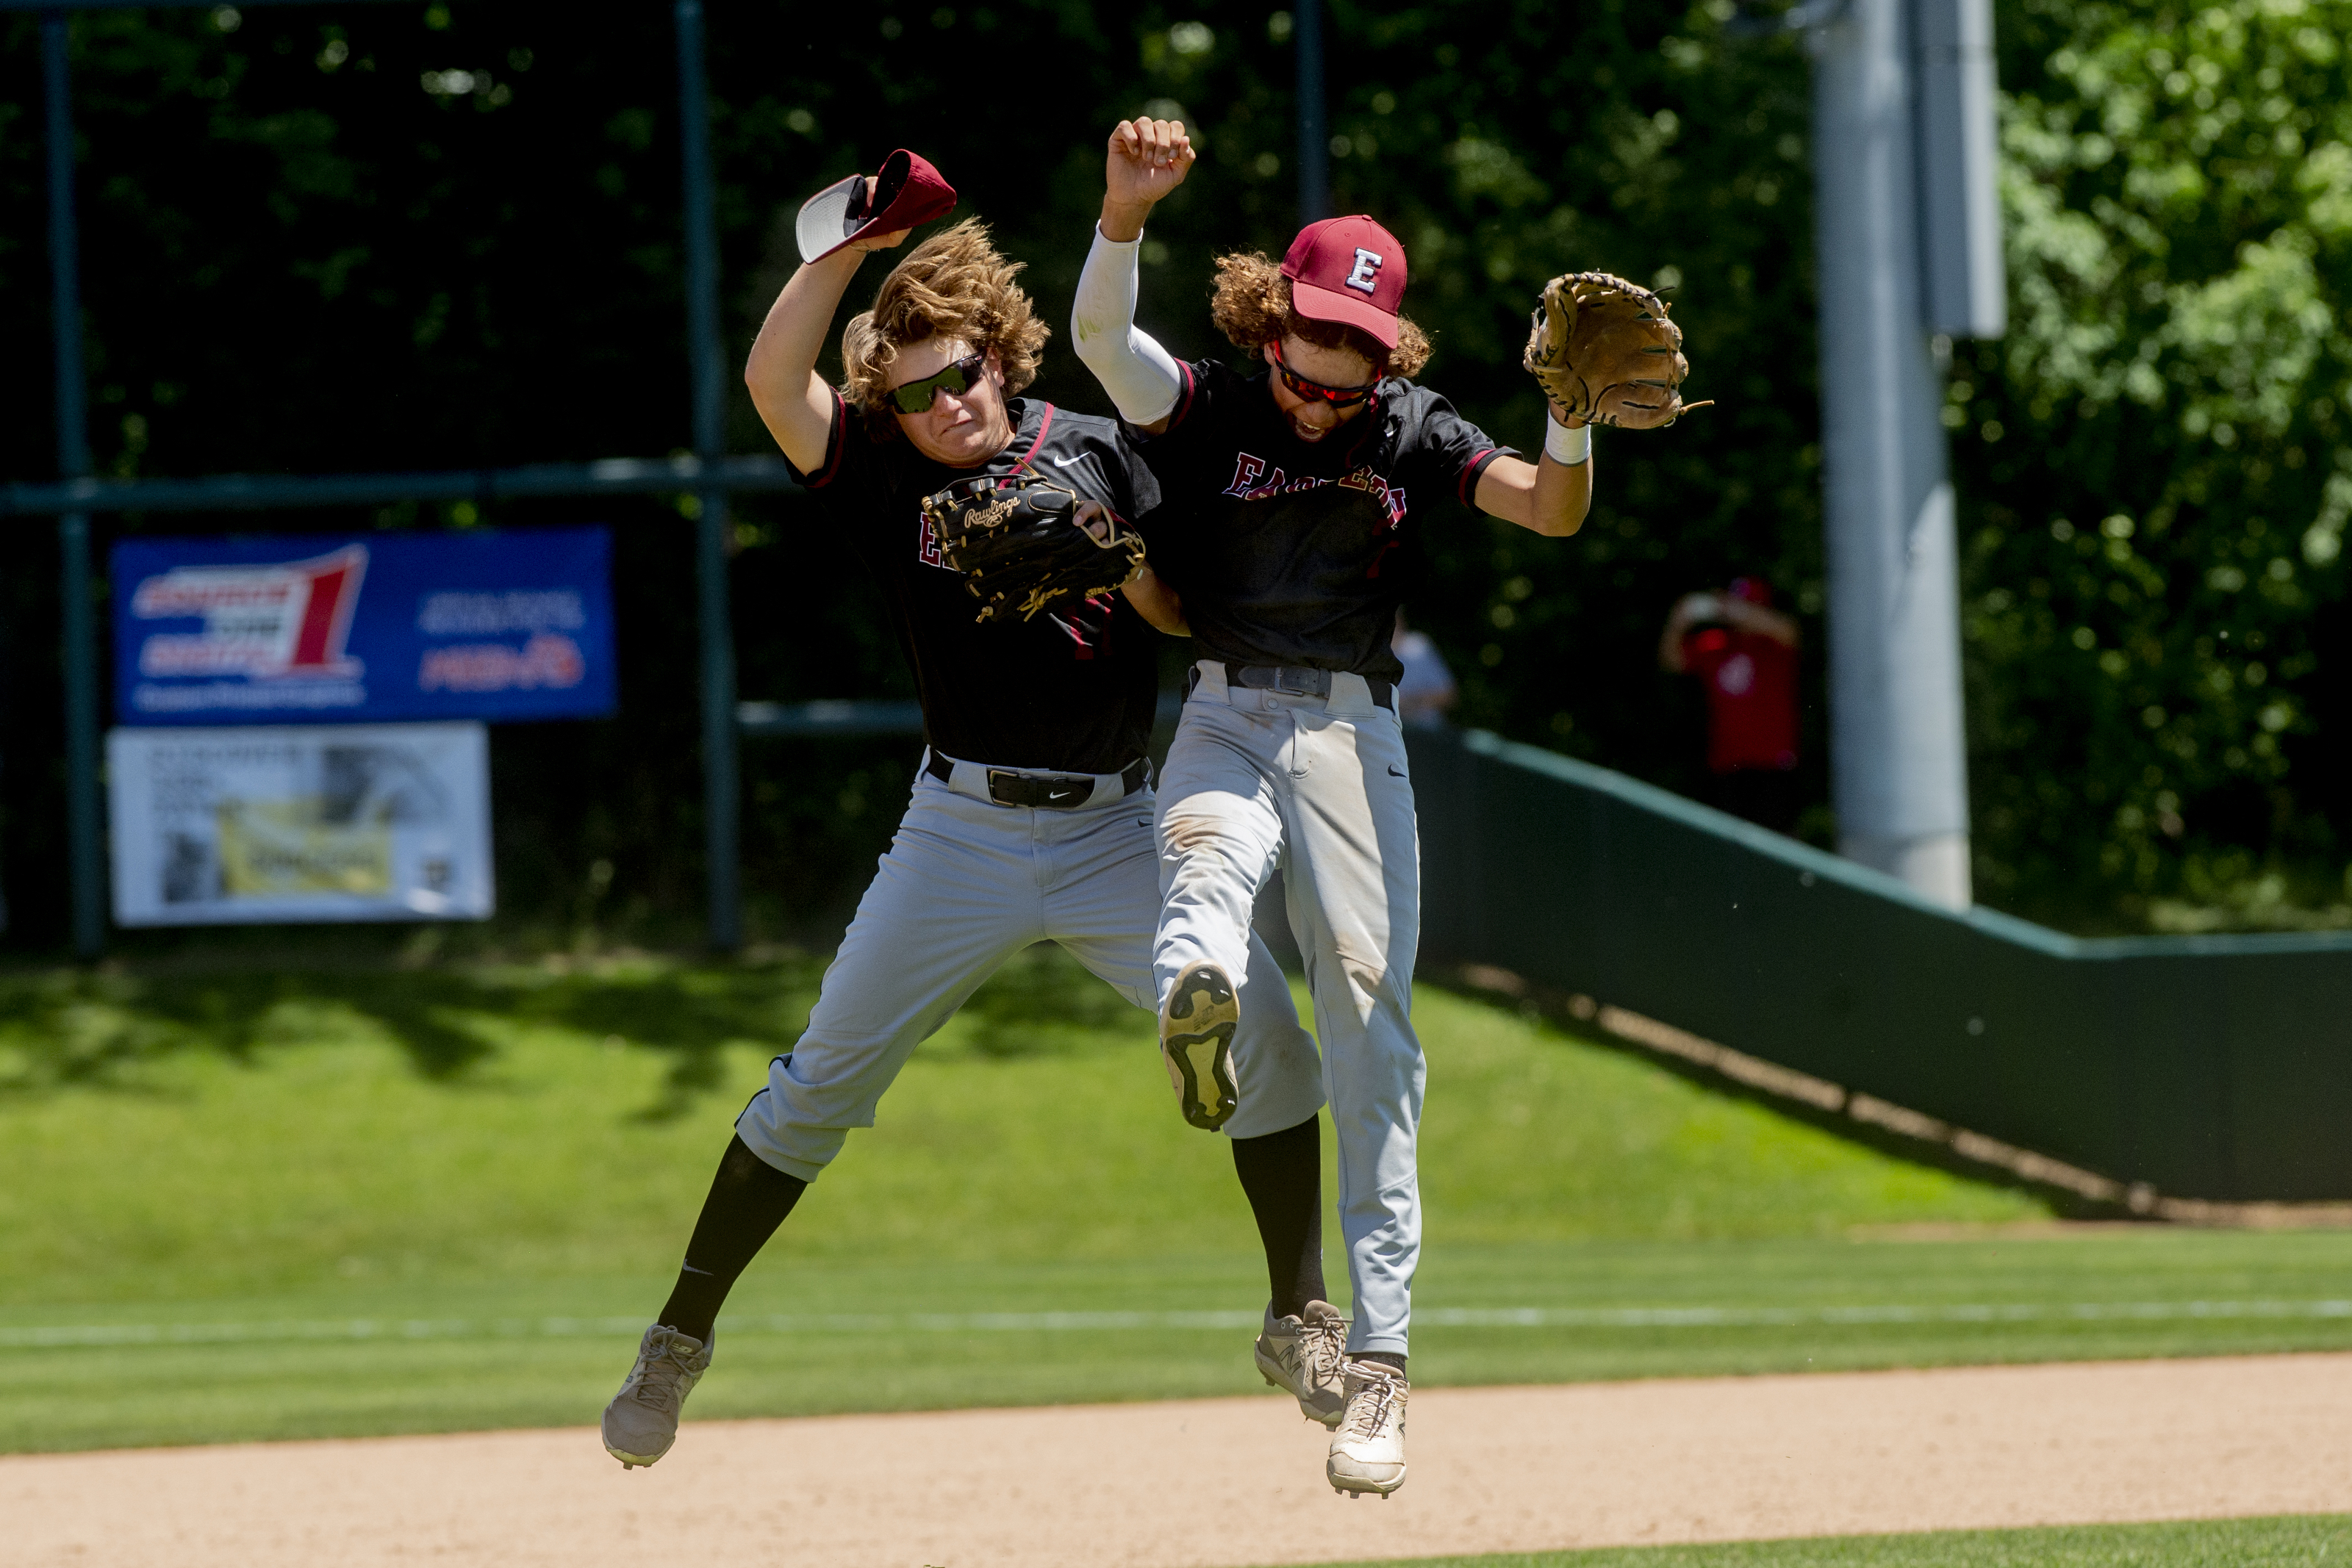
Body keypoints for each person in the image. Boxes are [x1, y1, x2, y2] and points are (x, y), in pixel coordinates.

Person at [598, 165, 1330, 1470]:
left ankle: (1296, 1311)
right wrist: (855, 246)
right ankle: (677, 1338)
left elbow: (1188, 617)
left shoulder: (1101, 445)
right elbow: (777, 383)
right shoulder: (884, 470)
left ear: (1002, 357)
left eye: (963, 376)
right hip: (961, 832)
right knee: (818, 1083)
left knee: (1271, 1031)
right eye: (919, 388)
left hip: (1119, 826)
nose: (947, 404)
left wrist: (1123, 556)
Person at [1068, 115, 1596, 1497]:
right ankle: (1198, 988)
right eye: (1309, 353)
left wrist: (1571, 411)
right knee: (1201, 850)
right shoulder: (1212, 403)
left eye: (1354, 357)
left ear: (1390, 347)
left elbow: (1548, 509)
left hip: (1357, 737)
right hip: (1228, 705)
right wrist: (1123, 219)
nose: (1324, 387)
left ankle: (1381, 1364)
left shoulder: (1411, 429)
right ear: (1272, 324)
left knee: (1372, 1030)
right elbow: (1103, 351)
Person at [1659, 578, 1802, 832]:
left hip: (1772, 766)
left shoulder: (1775, 645)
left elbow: (1788, 630)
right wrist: (1678, 622)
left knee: (1774, 844)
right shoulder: (1715, 643)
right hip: (1727, 766)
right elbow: (1672, 661)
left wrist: (1739, 611)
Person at [1390, 611, 1458, 729]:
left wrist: (1410, 703)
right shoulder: (1368, 652)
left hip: (1424, 731)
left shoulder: (1418, 646)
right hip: (1389, 730)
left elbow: (1449, 695)